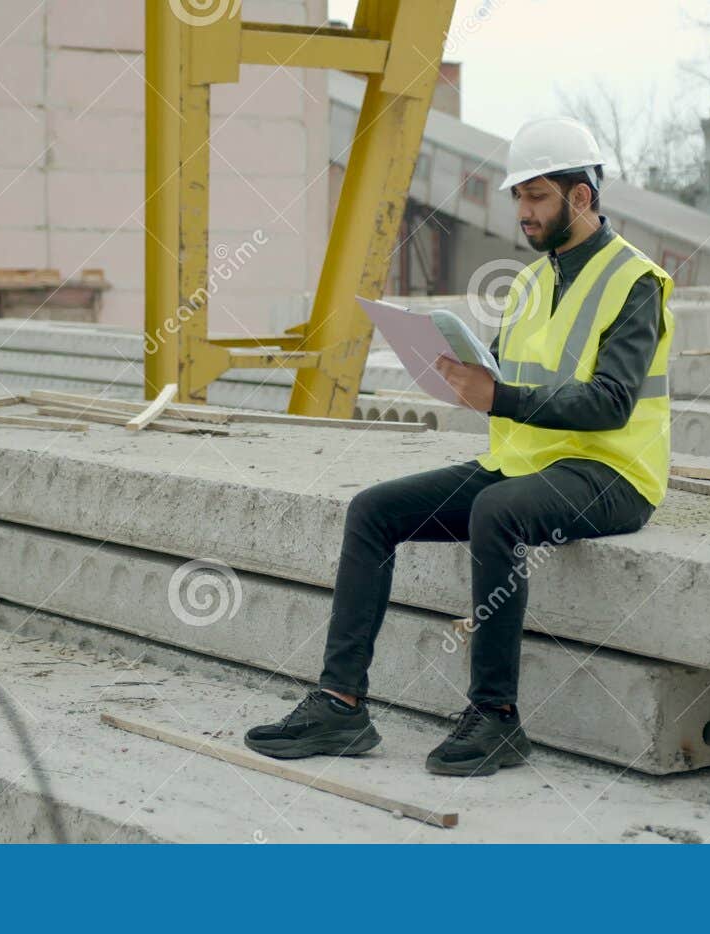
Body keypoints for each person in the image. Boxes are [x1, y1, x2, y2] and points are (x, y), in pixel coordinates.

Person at [244, 116, 675, 776]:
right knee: (372, 511)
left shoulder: (634, 282)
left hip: (612, 473)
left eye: (537, 197)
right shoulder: (530, 283)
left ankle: (497, 719)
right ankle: (341, 704)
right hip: (521, 463)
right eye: (518, 199)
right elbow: (510, 383)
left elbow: (612, 402)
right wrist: (457, 373)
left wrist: (496, 397)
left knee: (495, 513)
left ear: (581, 196)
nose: (523, 213)